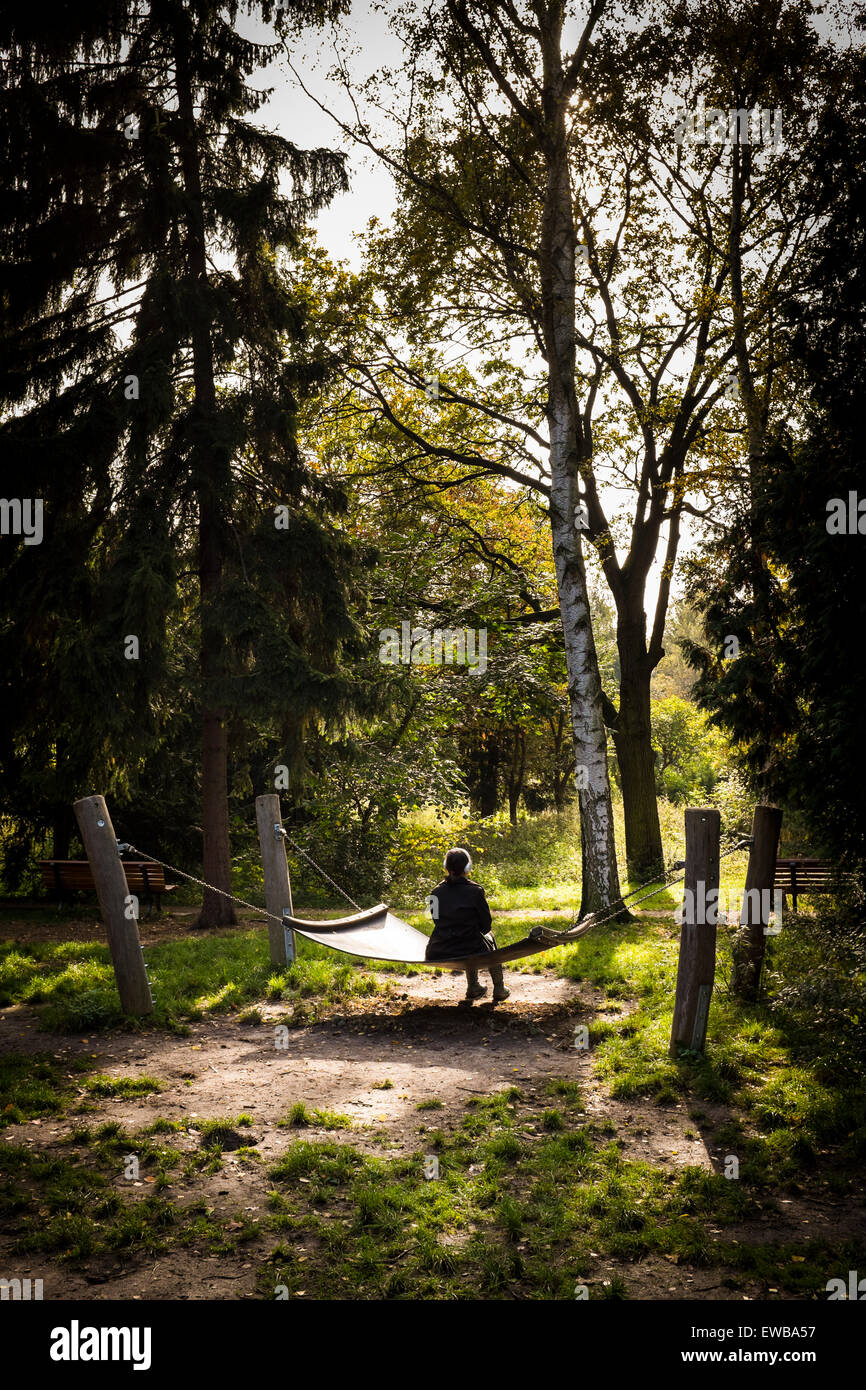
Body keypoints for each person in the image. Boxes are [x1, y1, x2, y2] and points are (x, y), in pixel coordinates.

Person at [425, 847, 510, 1003]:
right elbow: (486, 926)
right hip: (471, 948)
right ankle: (499, 988)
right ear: (467, 868)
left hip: (439, 949)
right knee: (489, 936)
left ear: (446, 867)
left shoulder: (435, 892)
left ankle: (474, 986)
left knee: (469, 940)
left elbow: (436, 921)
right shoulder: (475, 891)